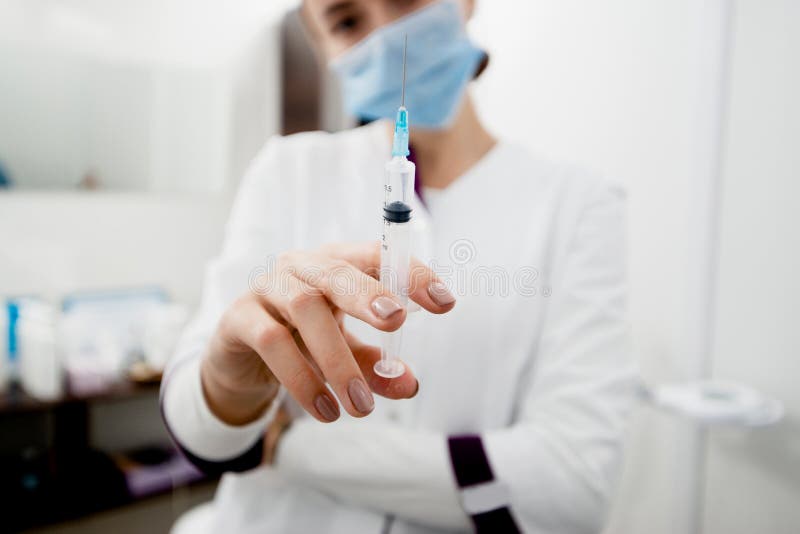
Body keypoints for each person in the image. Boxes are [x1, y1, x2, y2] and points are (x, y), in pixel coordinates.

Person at [161, 1, 637, 532]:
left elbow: (571, 487)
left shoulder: (579, 203)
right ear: (323, 48)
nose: (387, 35)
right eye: (346, 21)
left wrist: (288, 445)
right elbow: (200, 431)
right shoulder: (286, 171)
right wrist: (230, 391)